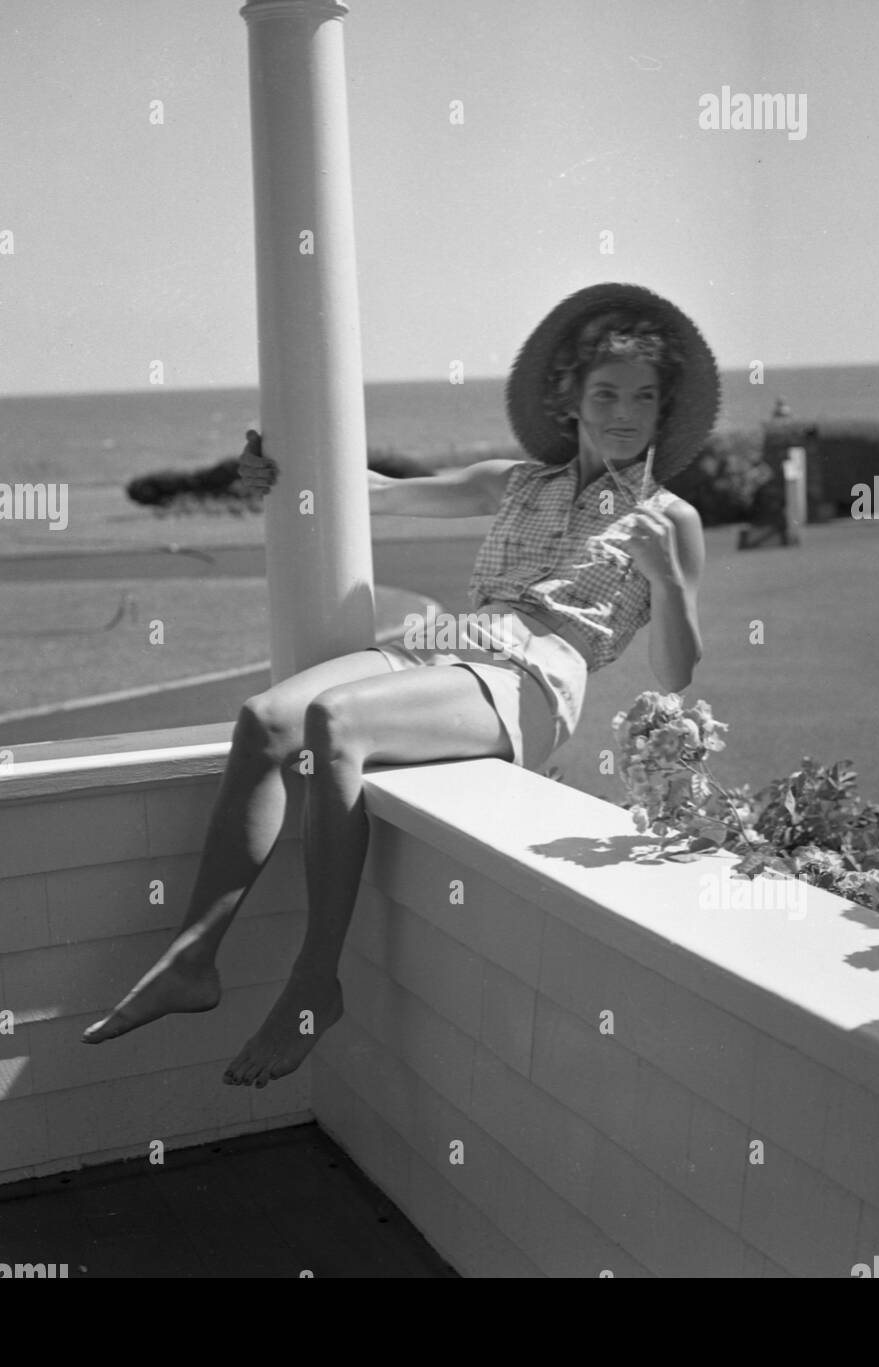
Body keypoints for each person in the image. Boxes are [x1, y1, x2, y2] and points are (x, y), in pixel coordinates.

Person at [82, 282, 720, 1088]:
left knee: (335, 721)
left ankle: (316, 981)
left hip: (537, 674)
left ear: (665, 411)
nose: (624, 412)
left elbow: (677, 671)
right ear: (570, 399)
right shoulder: (516, 482)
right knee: (267, 718)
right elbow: (371, 492)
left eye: (644, 397)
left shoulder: (672, 517)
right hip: (457, 643)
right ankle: (192, 956)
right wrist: (269, 471)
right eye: (606, 393)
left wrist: (668, 582)